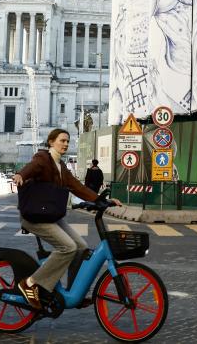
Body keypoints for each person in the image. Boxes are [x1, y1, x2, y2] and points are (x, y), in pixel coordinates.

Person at [12, 129, 121, 311]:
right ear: (51, 142)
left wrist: (102, 200)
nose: (65, 144)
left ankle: (73, 292)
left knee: (81, 247)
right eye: (62, 140)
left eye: (67, 141)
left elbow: (78, 187)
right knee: (67, 247)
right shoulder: (43, 158)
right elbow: (32, 167)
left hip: (52, 215)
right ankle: (30, 284)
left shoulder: (61, 167)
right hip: (35, 217)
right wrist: (20, 175)